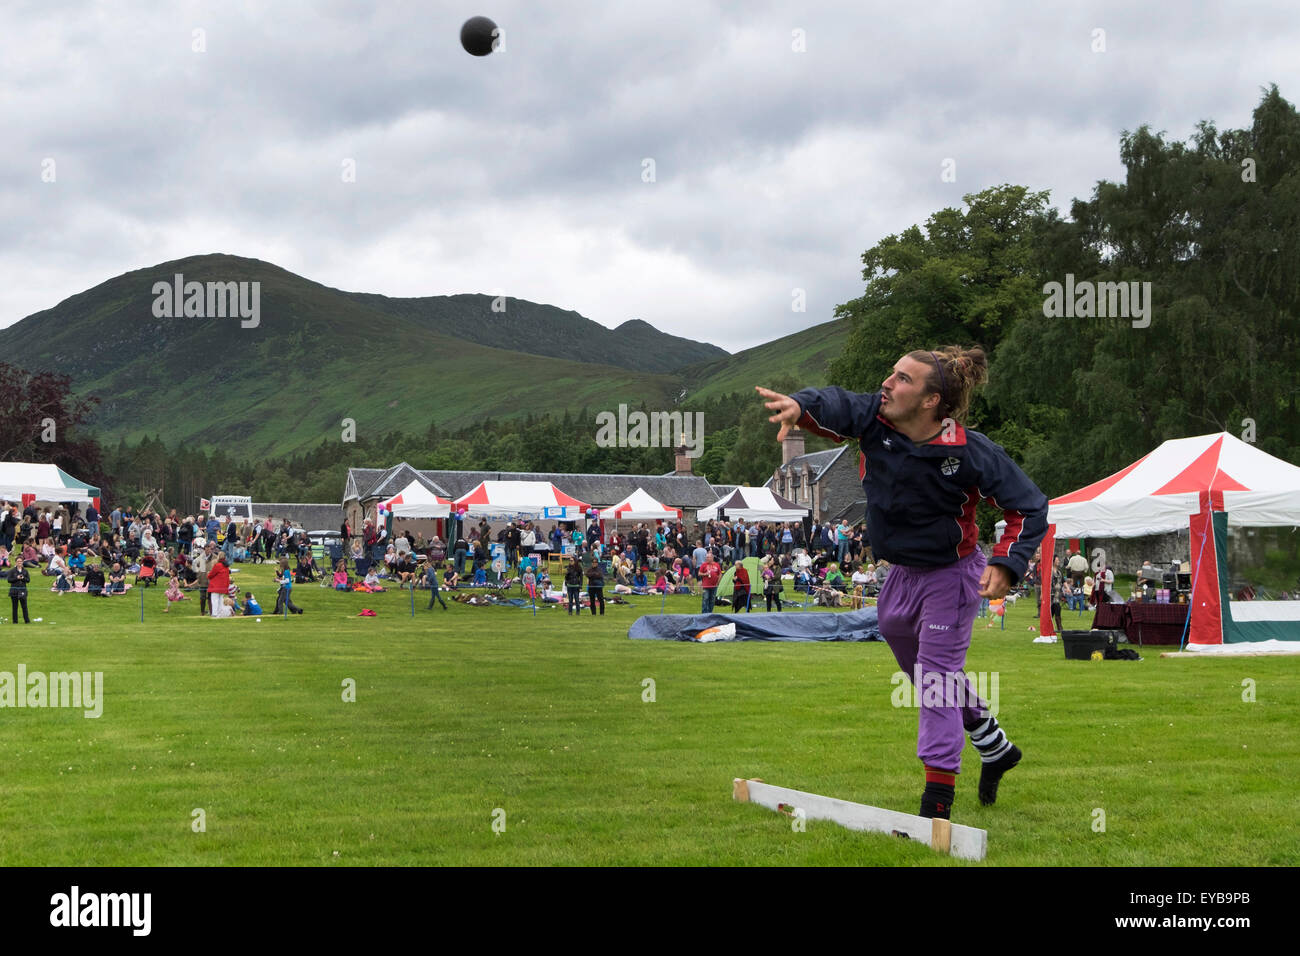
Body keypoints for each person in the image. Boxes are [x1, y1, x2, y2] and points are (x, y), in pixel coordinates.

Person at [758, 344, 1048, 821]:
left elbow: (1030, 506)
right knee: (925, 669)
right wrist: (801, 405)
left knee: (935, 678)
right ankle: (994, 745)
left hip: (953, 576)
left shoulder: (972, 451)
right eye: (891, 374)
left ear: (931, 401)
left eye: (903, 379)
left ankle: (937, 803)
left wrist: (1007, 563)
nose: (887, 384)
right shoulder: (876, 420)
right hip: (899, 575)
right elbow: (839, 402)